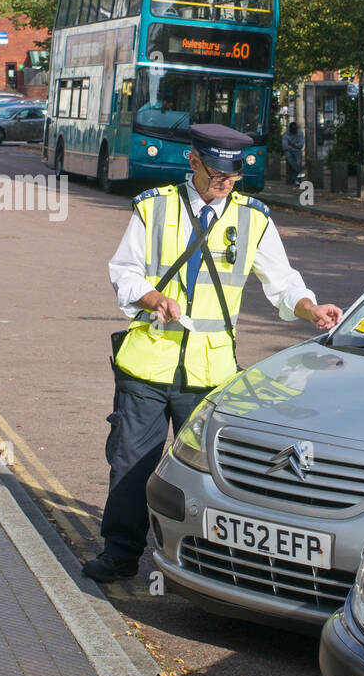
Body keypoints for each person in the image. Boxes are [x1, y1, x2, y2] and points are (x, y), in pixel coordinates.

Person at [81, 123, 343, 583]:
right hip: (147, 363)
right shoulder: (154, 208)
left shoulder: (253, 218)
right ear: (194, 162)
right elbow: (124, 272)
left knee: (209, 475)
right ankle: (120, 553)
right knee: (130, 462)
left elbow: (282, 283)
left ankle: (205, 562)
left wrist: (309, 308)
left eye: (233, 174)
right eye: (217, 172)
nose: (225, 183)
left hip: (210, 372)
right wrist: (152, 299)